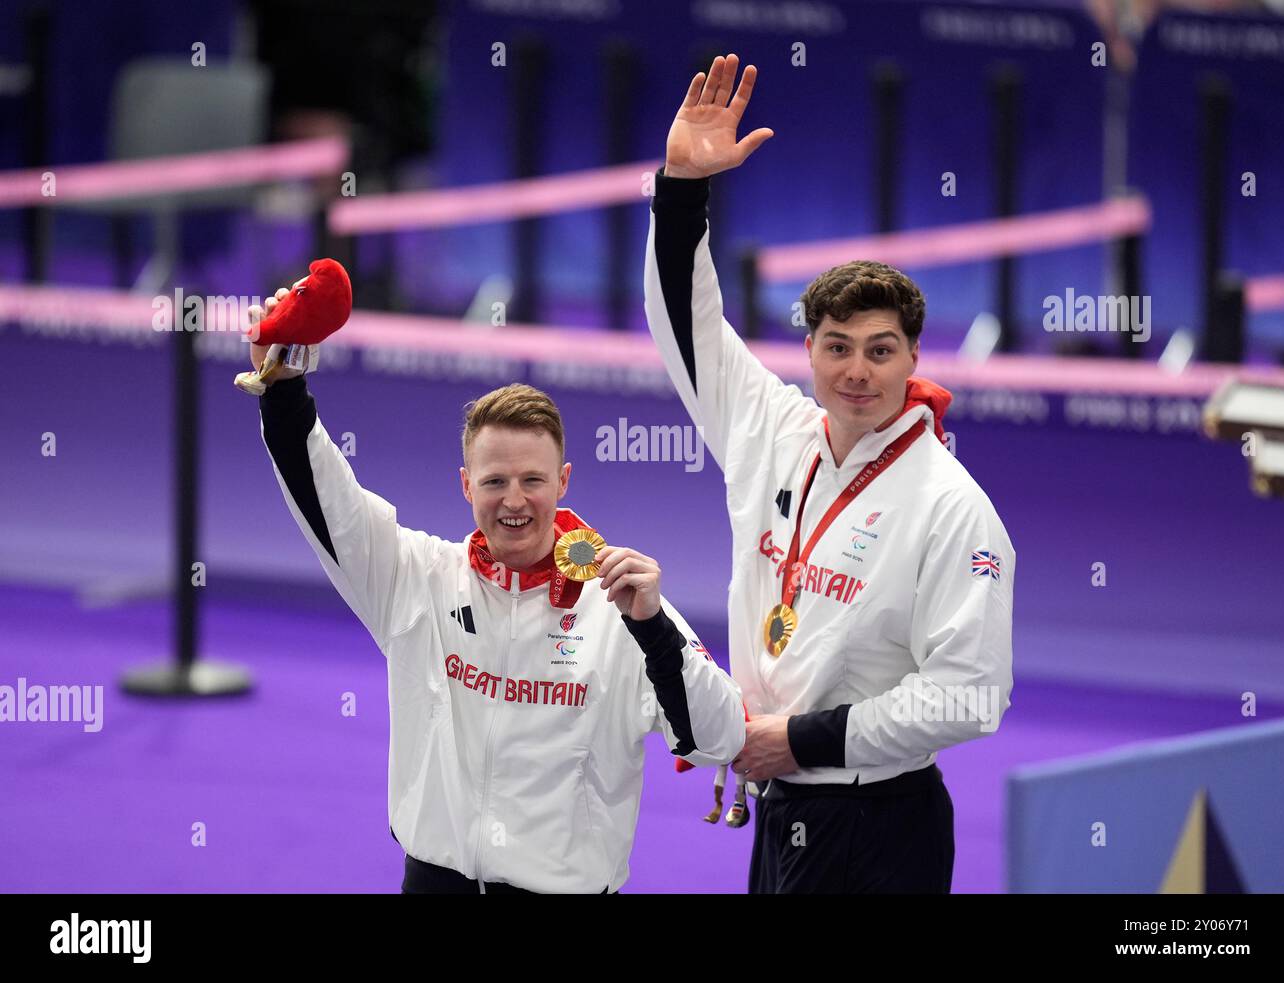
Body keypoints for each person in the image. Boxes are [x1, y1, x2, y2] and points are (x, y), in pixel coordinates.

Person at [643, 54, 1015, 893]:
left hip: (879, 823)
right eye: (837, 347)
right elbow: (686, 328)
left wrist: (802, 739)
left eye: (880, 351)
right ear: (807, 349)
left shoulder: (954, 508)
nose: (857, 371)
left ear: (914, 356)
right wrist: (682, 189)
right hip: (780, 806)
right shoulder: (772, 430)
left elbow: (971, 696)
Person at [246, 295, 745, 893]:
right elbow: (331, 506)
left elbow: (720, 738)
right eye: (495, 481)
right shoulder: (420, 577)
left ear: (562, 481)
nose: (514, 501)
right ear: (465, 485)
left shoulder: (623, 606)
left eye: (533, 480)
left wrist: (655, 629)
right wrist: (283, 385)